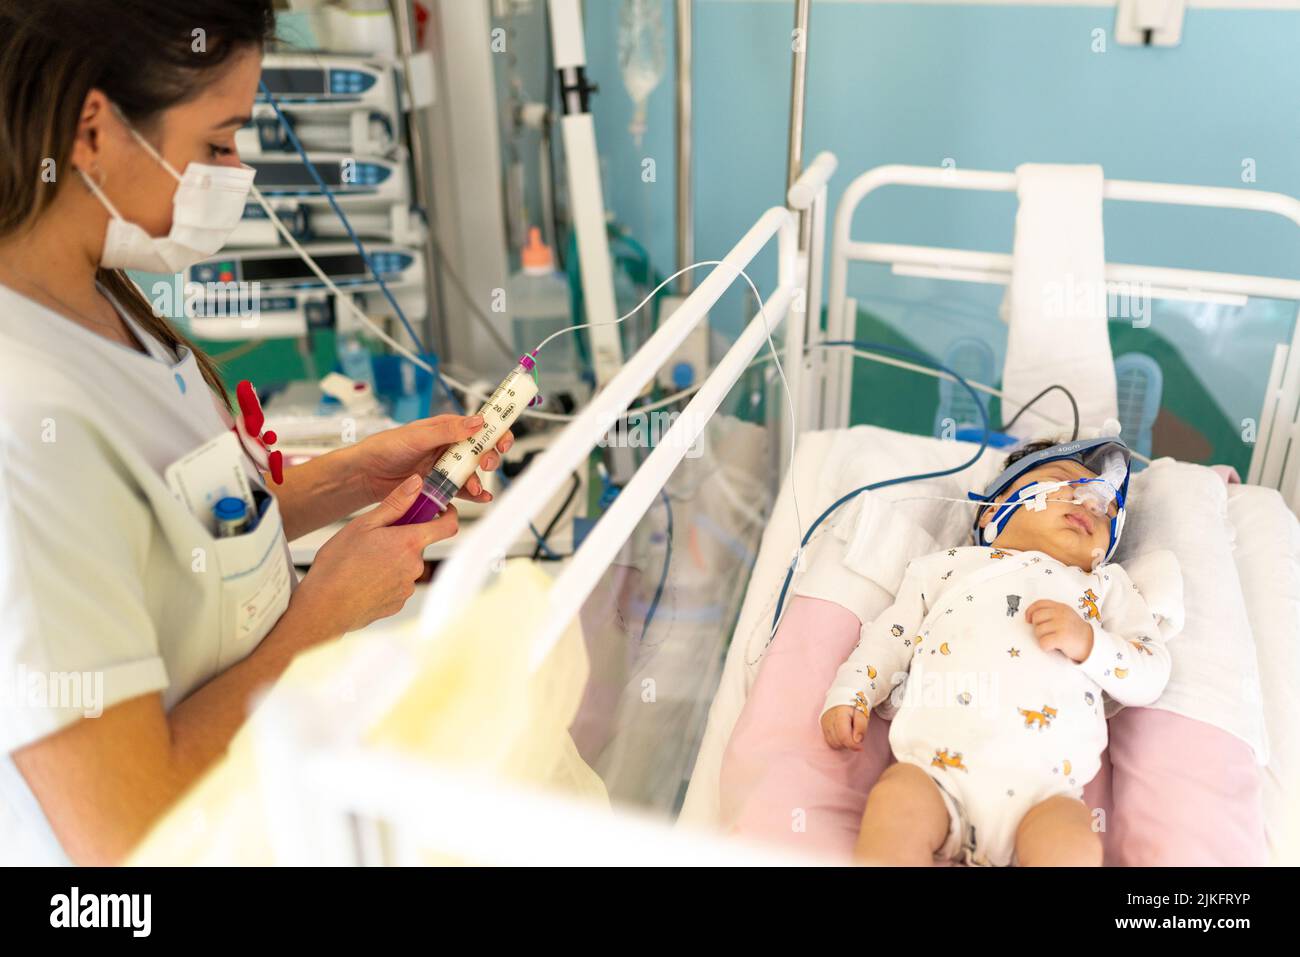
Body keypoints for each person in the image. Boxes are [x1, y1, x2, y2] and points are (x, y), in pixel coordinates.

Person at [0, 0, 509, 864]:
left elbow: (176, 536)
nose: (239, 175)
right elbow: (126, 829)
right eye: (218, 143)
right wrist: (324, 614)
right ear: (92, 130)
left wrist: (353, 476)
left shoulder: (105, 303)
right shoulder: (27, 425)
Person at [819, 437, 1171, 865]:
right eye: (1062, 481)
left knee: (1073, 848)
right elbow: (889, 638)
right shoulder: (945, 567)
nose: (1090, 502)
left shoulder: (1103, 587)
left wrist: (1090, 644)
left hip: (1045, 794)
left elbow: (1151, 672)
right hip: (936, 772)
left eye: (1107, 509)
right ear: (994, 509)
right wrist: (852, 691)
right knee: (895, 805)